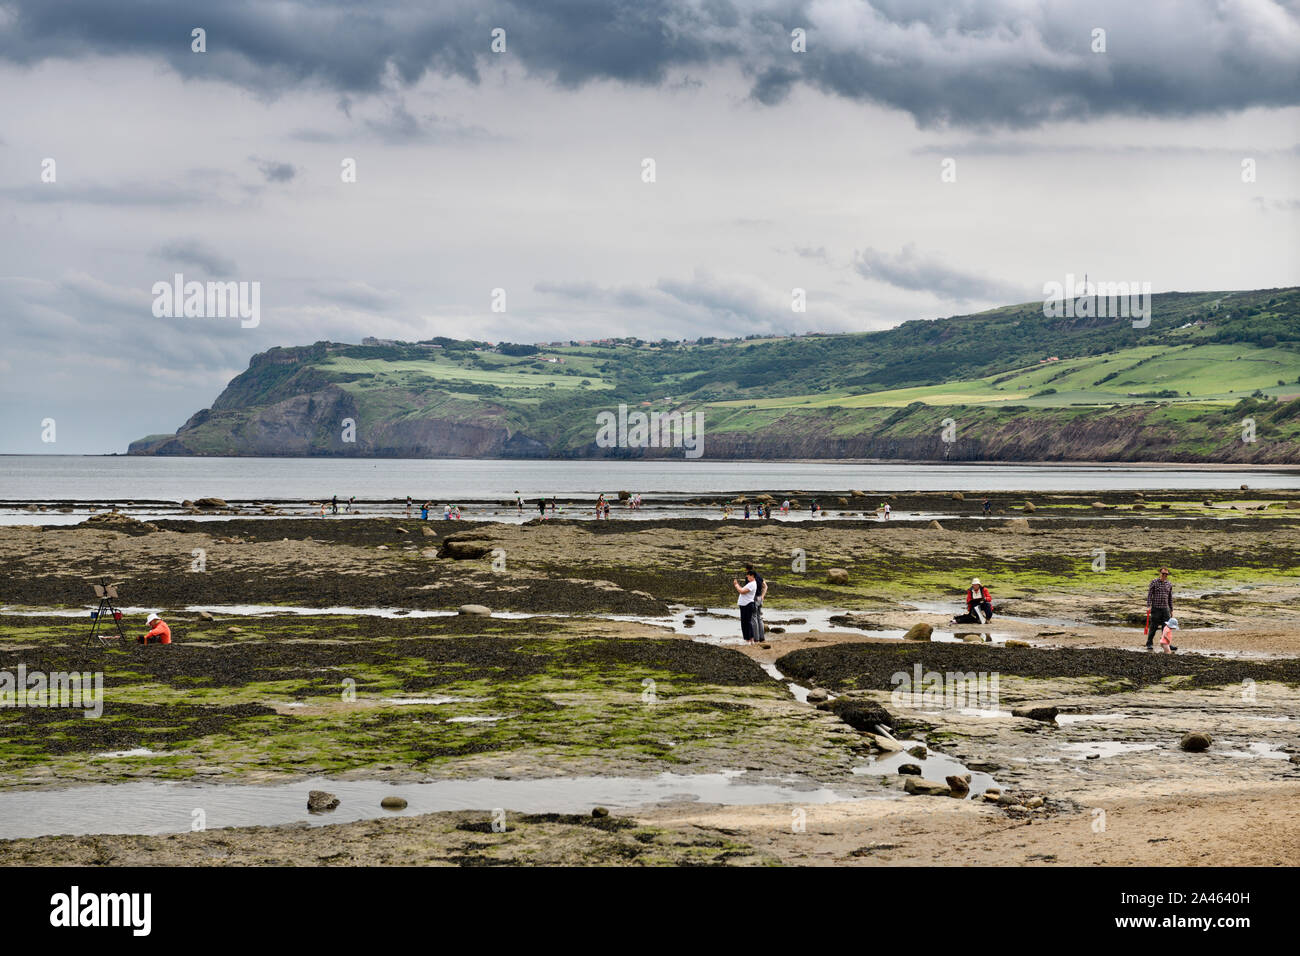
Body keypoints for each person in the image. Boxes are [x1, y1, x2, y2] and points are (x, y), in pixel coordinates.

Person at [1146, 567, 1174, 649]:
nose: (1165, 575)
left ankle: (1167, 644)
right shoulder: (1154, 582)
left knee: (1166, 628)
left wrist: (1171, 609)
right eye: (1163, 573)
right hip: (1156, 608)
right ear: (1160, 573)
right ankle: (1149, 643)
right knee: (1153, 626)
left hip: (1165, 609)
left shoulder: (1169, 584)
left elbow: (1170, 598)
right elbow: (1149, 595)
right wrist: (1148, 606)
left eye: (1166, 574)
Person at [733, 569, 759, 643]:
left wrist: (736, 585)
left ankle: (750, 639)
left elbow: (742, 591)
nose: (747, 577)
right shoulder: (750, 583)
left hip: (747, 604)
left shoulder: (753, 584)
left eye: (748, 576)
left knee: (747, 622)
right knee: (744, 622)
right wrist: (738, 586)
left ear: (752, 576)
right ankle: (747, 639)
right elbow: (742, 590)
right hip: (744, 604)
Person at [744, 563, 768, 642]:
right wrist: (762, 596)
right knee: (759, 618)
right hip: (759, 598)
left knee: (753, 618)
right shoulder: (759, 576)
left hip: (753, 599)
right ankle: (762, 638)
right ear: (753, 567)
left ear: (746, 569)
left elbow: (748, 590)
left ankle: (756, 639)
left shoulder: (749, 577)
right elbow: (765, 586)